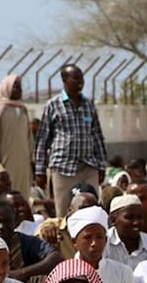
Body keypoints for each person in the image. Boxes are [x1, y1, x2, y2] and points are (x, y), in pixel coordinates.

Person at [35, 65, 107, 217]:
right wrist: (40, 170)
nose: (80, 82)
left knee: (92, 209)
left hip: (88, 165)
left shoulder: (88, 104)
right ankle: (66, 241)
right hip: (63, 167)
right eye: (75, 78)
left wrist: (101, 165)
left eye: (81, 78)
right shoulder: (53, 105)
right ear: (64, 80)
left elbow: (97, 136)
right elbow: (42, 140)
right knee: (64, 211)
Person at [66, 205, 137, 283]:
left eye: (99, 237)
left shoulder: (123, 273)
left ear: (106, 240)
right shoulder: (64, 274)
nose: (94, 243)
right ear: (74, 242)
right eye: (88, 237)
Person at [0, 74, 33, 193]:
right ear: (7, 87)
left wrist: (32, 156)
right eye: (15, 86)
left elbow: (29, 136)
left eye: (20, 87)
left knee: (22, 188)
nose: (19, 90)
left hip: (23, 160)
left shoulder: (23, 109)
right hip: (5, 158)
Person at [103, 194, 147, 271]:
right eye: (129, 217)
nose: (136, 222)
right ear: (113, 220)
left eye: (139, 217)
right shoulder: (103, 243)